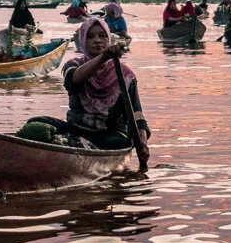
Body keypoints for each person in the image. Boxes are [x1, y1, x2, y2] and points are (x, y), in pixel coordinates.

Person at [31, 18, 151, 155]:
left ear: (109, 39)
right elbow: (74, 80)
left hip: (109, 136)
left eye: (102, 35)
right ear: (82, 40)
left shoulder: (126, 75)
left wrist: (142, 143)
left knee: (121, 143)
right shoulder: (73, 65)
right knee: (36, 124)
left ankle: (75, 146)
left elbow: (137, 115)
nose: (97, 40)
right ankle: (72, 145)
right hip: (76, 130)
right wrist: (104, 57)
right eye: (90, 36)